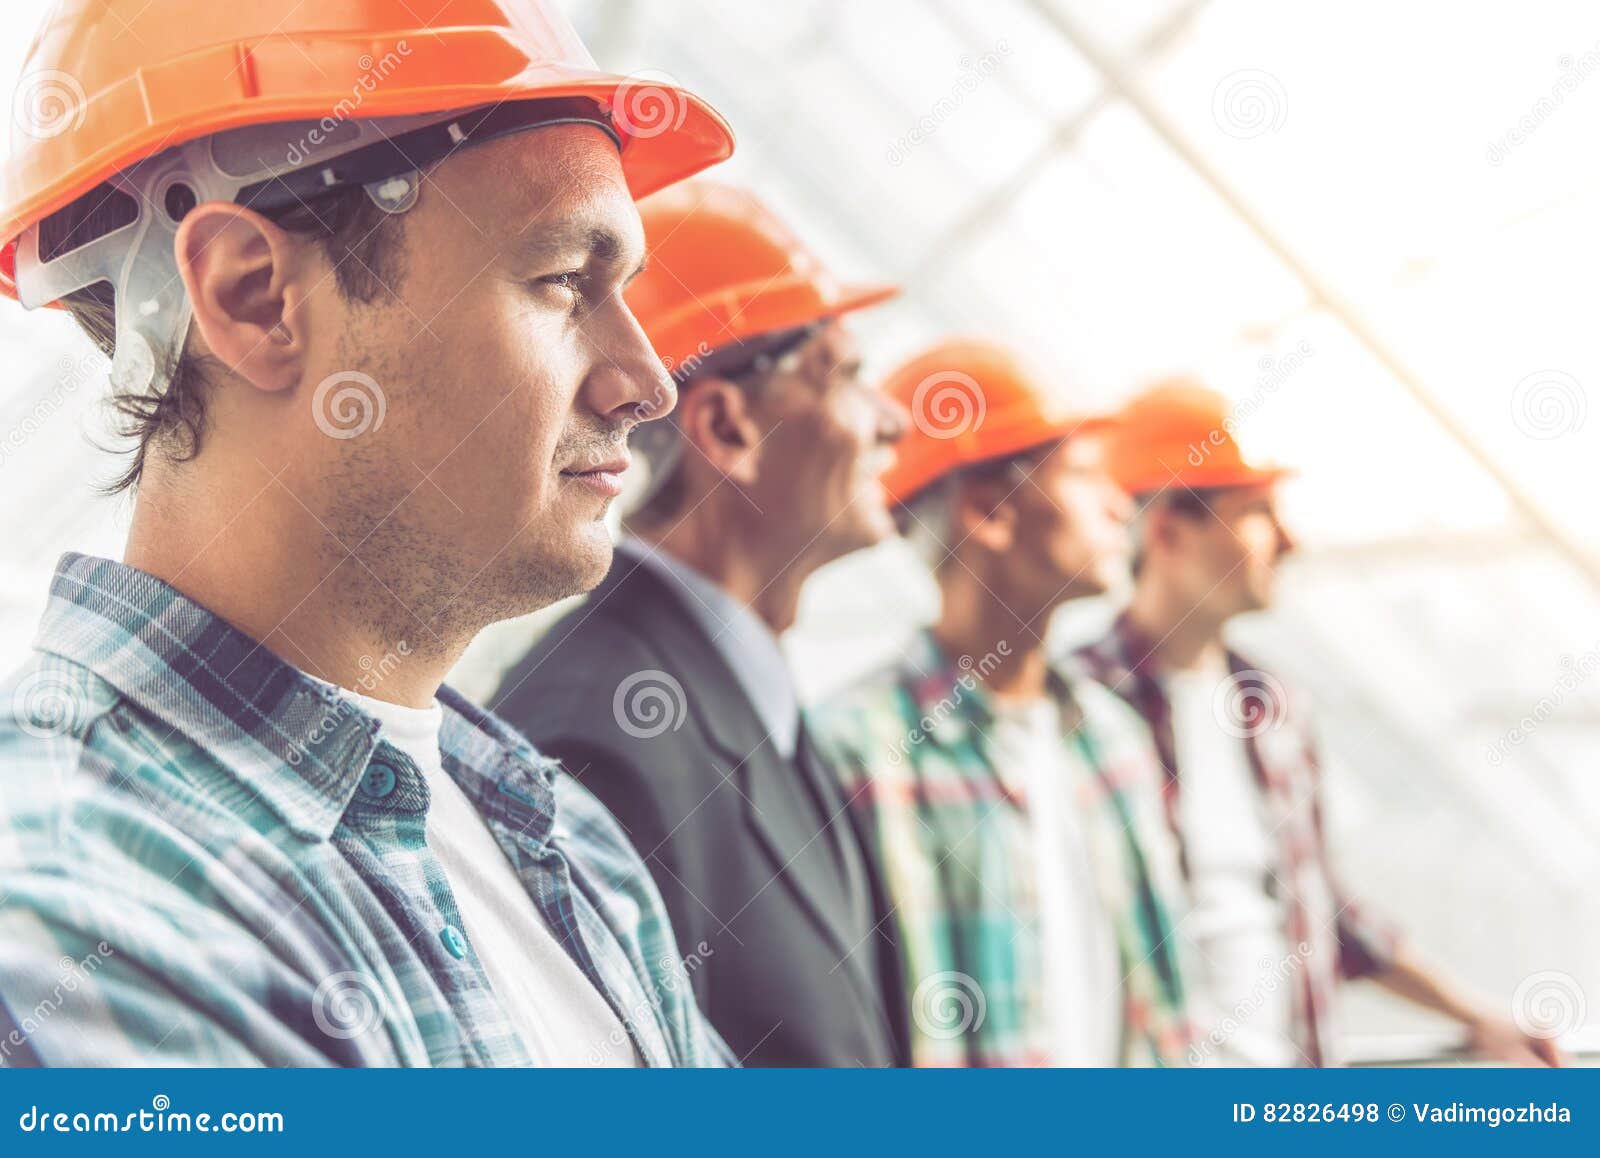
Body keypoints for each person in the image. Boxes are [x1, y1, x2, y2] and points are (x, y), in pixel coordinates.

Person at [0, 0, 738, 1067]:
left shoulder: (553, 833)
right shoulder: (75, 896)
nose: (645, 386)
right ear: (253, 298)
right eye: (563, 282)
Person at [492, 182, 911, 1066]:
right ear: (728, 426)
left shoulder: (742, 701)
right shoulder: (596, 732)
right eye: (843, 374)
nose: (894, 419)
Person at [1076, 380, 1564, 1067]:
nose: (1289, 540)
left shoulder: (1272, 711)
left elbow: (1325, 915)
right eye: (1256, 514)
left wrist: (1474, 1015)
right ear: (1167, 531)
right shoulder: (1072, 709)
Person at [810, 339, 1196, 1067]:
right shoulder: (858, 751)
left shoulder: (1112, 736)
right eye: (1083, 474)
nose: (1121, 506)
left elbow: (1170, 1005)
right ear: (989, 512)